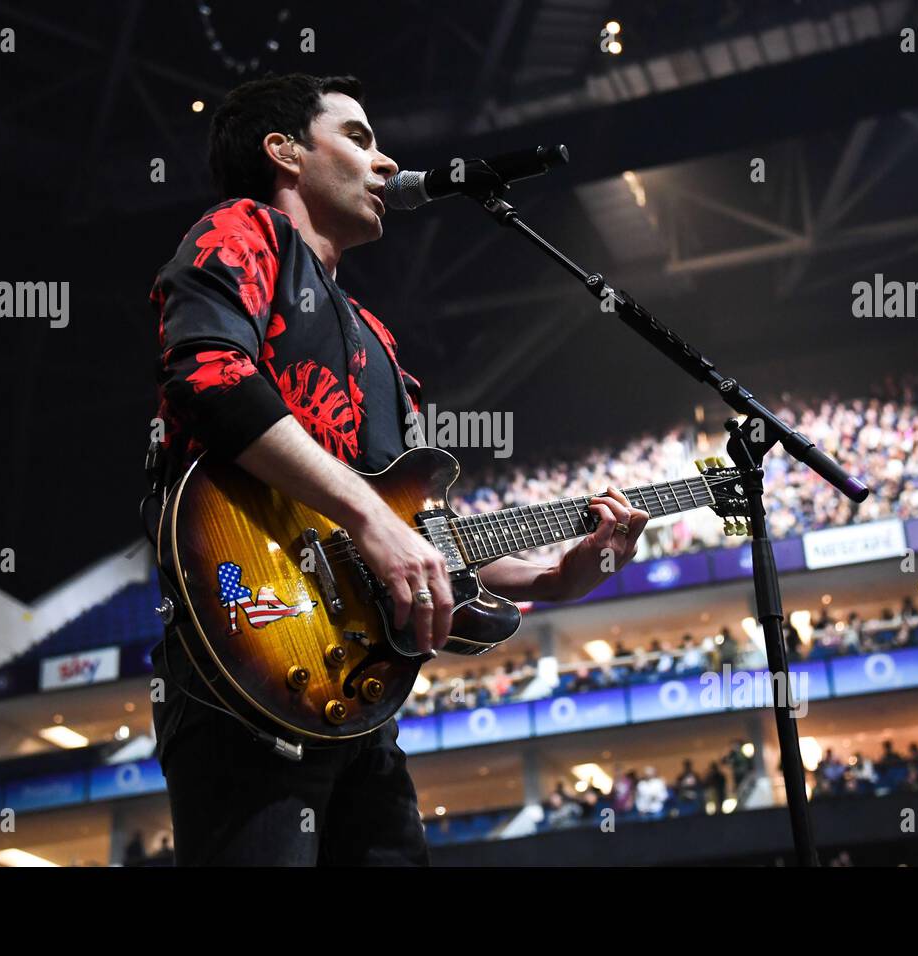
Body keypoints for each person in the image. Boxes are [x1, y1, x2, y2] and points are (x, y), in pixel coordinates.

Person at [147, 72, 651, 866]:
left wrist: (557, 576)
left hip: (360, 701)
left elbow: (420, 529)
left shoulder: (377, 338)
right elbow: (209, 375)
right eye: (358, 137)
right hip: (243, 670)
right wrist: (370, 518)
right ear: (283, 152)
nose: (386, 164)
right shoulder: (241, 229)